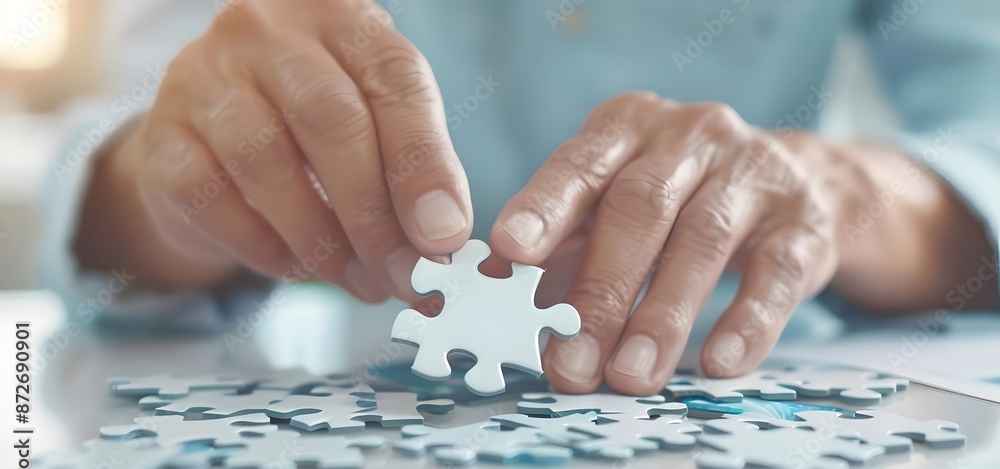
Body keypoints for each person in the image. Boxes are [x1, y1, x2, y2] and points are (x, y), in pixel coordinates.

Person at [46, 0, 999, 396]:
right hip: (359, 398)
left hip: (733, 381)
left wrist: (846, 193)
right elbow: (147, 131)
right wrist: (167, 185)